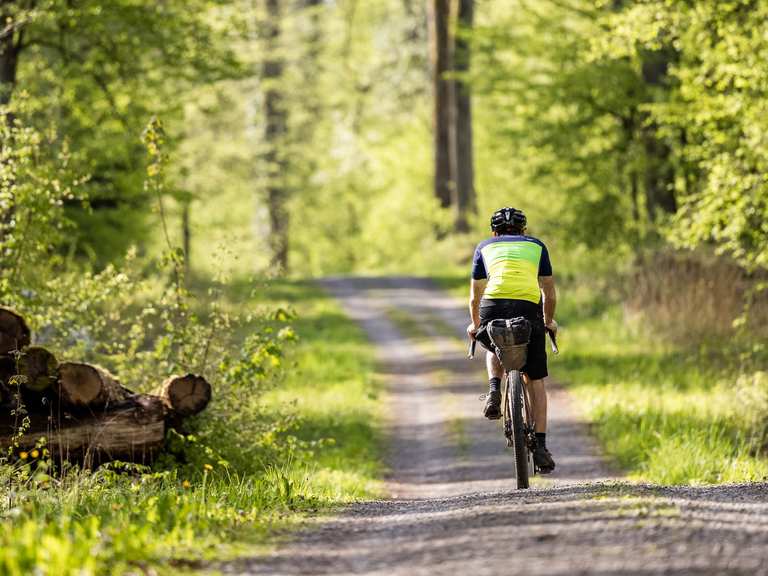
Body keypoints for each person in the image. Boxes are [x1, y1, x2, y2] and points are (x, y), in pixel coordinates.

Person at [466, 207, 558, 473]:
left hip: (492, 306)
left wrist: (475, 324)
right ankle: (540, 445)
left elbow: (475, 296)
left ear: (494, 232)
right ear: (524, 230)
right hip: (528, 307)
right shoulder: (537, 246)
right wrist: (547, 321)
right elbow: (549, 293)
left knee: (492, 341)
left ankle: (495, 389)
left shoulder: (484, 247)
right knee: (536, 378)